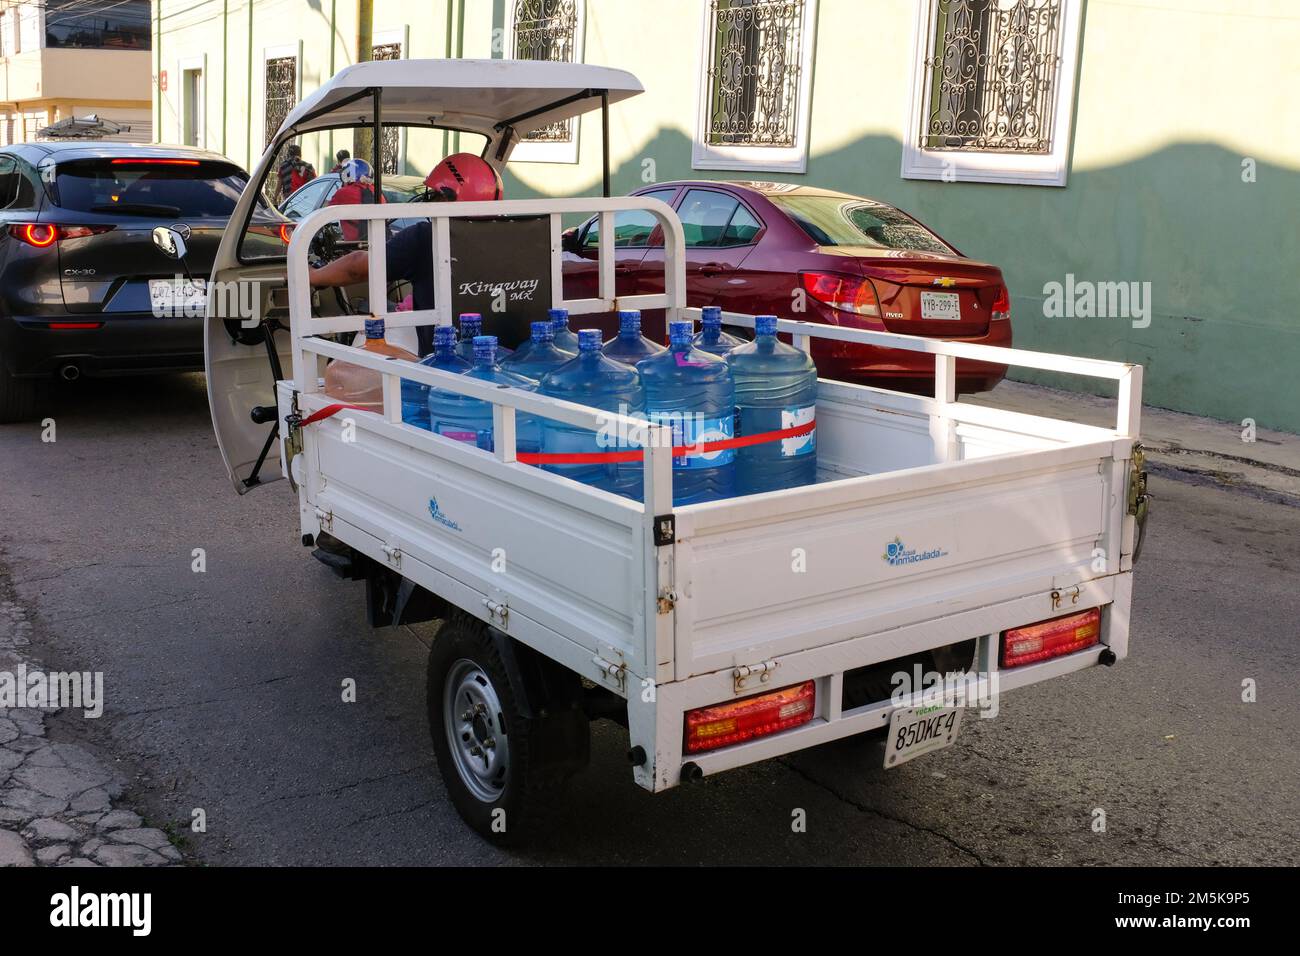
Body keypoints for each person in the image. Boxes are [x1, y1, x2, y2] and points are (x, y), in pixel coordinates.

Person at [310, 153, 504, 355]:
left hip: (445, 365)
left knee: (339, 370)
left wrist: (312, 275)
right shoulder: (517, 239)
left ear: (449, 197)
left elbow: (356, 268)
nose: (430, 203)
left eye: (435, 196)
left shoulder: (425, 238)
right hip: (506, 361)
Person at [326, 157, 384, 242]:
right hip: (379, 244)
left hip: (354, 247)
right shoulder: (377, 192)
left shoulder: (344, 193)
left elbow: (324, 211)